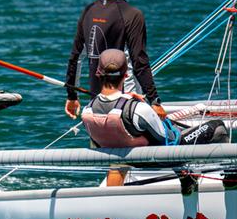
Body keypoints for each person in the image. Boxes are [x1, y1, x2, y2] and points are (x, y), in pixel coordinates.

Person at [64, 0, 166, 122]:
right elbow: (139, 62)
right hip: (126, 107)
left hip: (96, 105)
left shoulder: (88, 11)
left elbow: (75, 58)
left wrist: (72, 96)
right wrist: (154, 100)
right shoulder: (133, 15)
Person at [81, 49, 227, 149]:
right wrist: (143, 106)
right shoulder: (137, 109)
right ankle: (229, 178)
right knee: (218, 126)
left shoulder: (88, 110)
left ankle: (187, 177)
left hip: (126, 159)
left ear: (98, 73)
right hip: (158, 158)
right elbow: (167, 139)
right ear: (126, 75)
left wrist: (129, 102)